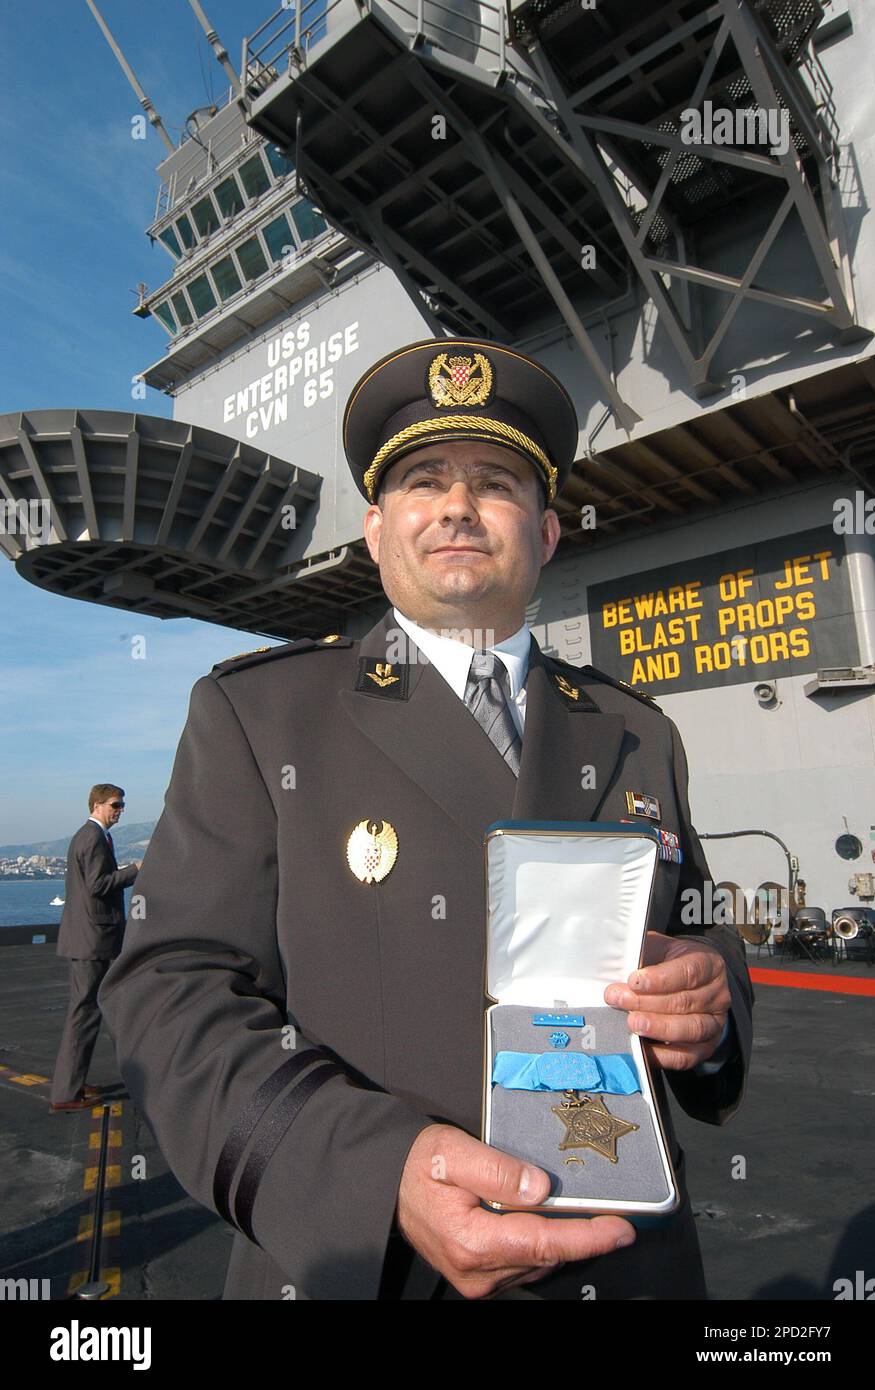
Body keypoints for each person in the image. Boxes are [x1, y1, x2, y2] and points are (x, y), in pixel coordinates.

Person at [99, 338, 753, 1299]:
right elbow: (169, 992)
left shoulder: (633, 729)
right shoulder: (260, 714)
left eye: (493, 483)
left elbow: (699, 935)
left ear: (546, 533)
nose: (456, 505)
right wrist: (371, 1173)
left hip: (626, 1262)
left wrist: (711, 1000)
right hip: (373, 1268)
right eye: (421, 482)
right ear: (375, 530)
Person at [50, 785, 141, 1111]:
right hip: (92, 941)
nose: (121, 809)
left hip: (86, 939)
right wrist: (134, 872)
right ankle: (65, 1094)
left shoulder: (87, 836)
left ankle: (73, 1083)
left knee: (84, 1013)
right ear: (98, 804)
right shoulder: (92, 838)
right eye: (116, 804)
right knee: (84, 1015)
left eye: (122, 804)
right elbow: (98, 885)